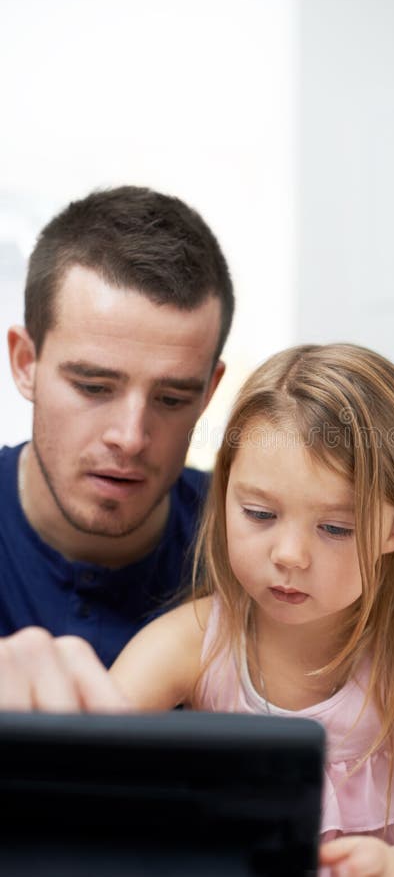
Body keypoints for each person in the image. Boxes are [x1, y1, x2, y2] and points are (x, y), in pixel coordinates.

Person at [0, 343, 394, 876]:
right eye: (259, 513)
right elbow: (80, 777)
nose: (289, 555)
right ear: (224, 497)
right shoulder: (191, 643)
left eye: (334, 528)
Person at [0, 185, 234, 666]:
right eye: (93, 387)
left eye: (171, 398)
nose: (130, 438)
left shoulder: (258, 551)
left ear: (209, 392)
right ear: (26, 363)